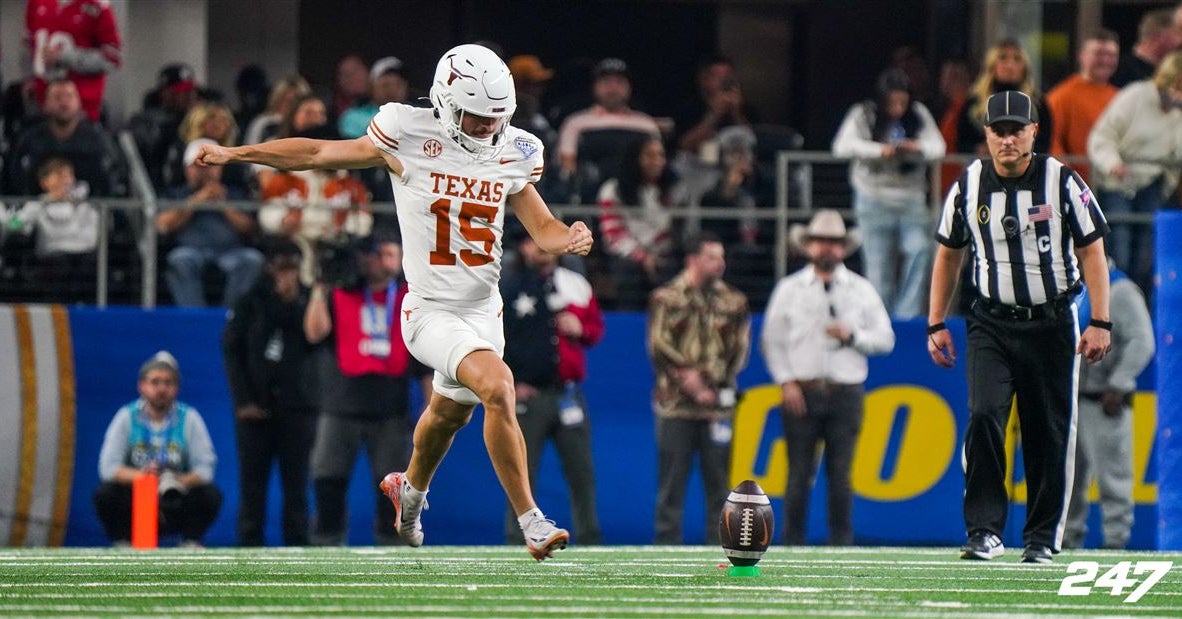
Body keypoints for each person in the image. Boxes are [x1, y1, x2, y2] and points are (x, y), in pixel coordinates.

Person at [192, 43, 593, 561]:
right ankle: (531, 522)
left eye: (495, 119)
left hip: (483, 309)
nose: (485, 130)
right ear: (447, 104)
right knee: (499, 385)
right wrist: (233, 155)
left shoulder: (514, 148)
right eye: (474, 118)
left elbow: (543, 229)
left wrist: (571, 237)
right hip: (429, 309)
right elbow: (317, 153)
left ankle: (411, 490)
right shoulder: (407, 132)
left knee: (449, 416)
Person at [928, 90, 1112, 564]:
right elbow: (949, 253)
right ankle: (985, 531)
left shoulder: (1063, 181)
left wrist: (1100, 320)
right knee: (985, 415)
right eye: (998, 130)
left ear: (1034, 131)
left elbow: (1092, 250)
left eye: (1016, 129)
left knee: (1048, 431)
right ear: (986, 135)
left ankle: (1041, 537)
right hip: (990, 321)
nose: (1007, 139)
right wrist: (935, 322)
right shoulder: (968, 185)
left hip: (1052, 322)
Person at [761, 209, 895, 545]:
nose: (827, 248)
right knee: (797, 476)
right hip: (802, 390)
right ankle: (792, 543)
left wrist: (854, 337)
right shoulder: (790, 289)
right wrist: (786, 381)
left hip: (844, 390)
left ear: (843, 248)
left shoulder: (860, 289)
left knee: (841, 476)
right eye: (821, 241)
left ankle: (841, 544)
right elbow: (771, 341)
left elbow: (885, 339)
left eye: (834, 243)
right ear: (808, 246)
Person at [302, 235, 417, 546]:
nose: (391, 263)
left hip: (390, 406)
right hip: (341, 404)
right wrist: (319, 288)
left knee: (392, 484)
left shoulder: (409, 296)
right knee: (328, 477)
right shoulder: (341, 292)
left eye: (395, 255)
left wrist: (434, 406)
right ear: (367, 258)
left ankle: (391, 543)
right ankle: (327, 540)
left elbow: (423, 358)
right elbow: (314, 334)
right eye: (384, 254)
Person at [500, 234, 605, 546]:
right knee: (520, 475)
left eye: (546, 242)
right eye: (534, 242)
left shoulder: (575, 283)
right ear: (523, 246)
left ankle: (589, 539)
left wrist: (580, 328)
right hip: (528, 396)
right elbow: (493, 338)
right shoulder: (508, 284)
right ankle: (517, 538)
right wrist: (512, 384)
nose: (542, 249)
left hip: (567, 393)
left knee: (582, 473)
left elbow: (595, 330)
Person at [646, 232, 750, 545]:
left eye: (721, 257)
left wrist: (711, 383)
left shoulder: (734, 302)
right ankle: (666, 550)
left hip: (716, 406)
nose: (720, 263)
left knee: (719, 486)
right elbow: (658, 345)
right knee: (671, 487)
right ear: (692, 260)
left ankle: (719, 550)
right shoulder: (666, 298)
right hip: (675, 406)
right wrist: (689, 380)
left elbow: (738, 351)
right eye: (711, 257)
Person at [221, 238, 318, 546]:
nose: (288, 274)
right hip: (255, 409)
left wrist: (296, 301)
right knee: (252, 486)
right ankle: (249, 546)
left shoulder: (308, 301)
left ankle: (299, 545)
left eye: (293, 267)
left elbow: (316, 341)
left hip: (297, 408)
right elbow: (231, 350)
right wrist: (243, 401)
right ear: (269, 267)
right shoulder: (250, 301)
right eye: (282, 267)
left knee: (297, 486)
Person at [831, 67, 945, 318]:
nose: (897, 108)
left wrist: (916, 147)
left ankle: (907, 316)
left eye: (902, 102)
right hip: (873, 199)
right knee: (878, 268)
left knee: (919, 251)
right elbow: (841, 147)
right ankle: (880, 320)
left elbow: (938, 147)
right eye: (891, 102)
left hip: (911, 201)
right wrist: (878, 150)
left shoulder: (918, 114)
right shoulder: (863, 113)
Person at [1064, 261, 1154, 550]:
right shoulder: (1070, 287)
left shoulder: (1121, 290)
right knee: (1068, 478)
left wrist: (1118, 382)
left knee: (1113, 477)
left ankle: (1116, 541)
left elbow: (1142, 341)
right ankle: (1066, 539)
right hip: (1072, 397)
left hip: (1105, 398)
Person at [93, 351, 222, 547]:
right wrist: (144, 477)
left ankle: (190, 542)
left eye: (168, 383)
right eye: (155, 382)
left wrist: (177, 480)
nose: (161, 389)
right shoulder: (127, 416)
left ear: (176, 388)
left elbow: (206, 469)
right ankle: (123, 542)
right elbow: (108, 468)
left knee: (209, 494)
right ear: (141, 386)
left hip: (174, 498)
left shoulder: (189, 418)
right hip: (137, 499)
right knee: (106, 493)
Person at [1087, 50, 1182, 295]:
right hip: (1116, 182)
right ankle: (1114, 305)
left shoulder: (1177, 113)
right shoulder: (1135, 96)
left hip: (1151, 184)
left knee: (1145, 257)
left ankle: (1140, 308)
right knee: (1120, 249)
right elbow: (1101, 137)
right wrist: (1113, 164)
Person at [156, 138, 263, 307]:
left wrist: (223, 205)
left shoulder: (234, 193)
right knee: (179, 259)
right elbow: (163, 225)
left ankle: (231, 317)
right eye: (199, 166)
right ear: (187, 168)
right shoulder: (176, 194)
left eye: (211, 166)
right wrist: (197, 200)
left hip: (230, 253)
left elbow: (250, 228)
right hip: (192, 252)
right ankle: (194, 318)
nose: (205, 171)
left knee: (252, 259)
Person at [597, 135, 688, 309]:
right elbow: (614, 236)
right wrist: (643, 258)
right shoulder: (613, 190)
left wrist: (656, 257)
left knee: (674, 274)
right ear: (636, 158)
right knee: (629, 276)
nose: (657, 161)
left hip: (664, 256)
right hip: (627, 258)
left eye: (660, 155)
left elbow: (677, 231)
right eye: (650, 155)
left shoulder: (674, 190)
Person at [6, 157, 99, 303]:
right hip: (52, 259)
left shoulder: (84, 205)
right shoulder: (36, 204)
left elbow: (93, 236)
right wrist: (41, 204)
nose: (64, 180)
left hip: (82, 257)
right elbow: (14, 224)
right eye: (58, 175)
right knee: (58, 268)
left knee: (87, 267)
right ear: (44, 182)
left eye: (68, 175)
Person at [25, 0, 122, 123]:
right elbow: (30, 44)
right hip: (42, 106)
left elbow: (112, 59)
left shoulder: (97, 5)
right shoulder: (35, 3)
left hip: (82, 111)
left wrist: (64, 57)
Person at [957, 41, 1052, 156]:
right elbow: (961, 143)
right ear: (992, 66)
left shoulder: (1037, 103)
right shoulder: (974, 101)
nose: (1010, 65)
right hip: (982, 166)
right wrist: (978, 150)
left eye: (1017, 59)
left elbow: (1044, 143)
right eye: (1003, 58)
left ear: (1025, 68)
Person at [1045, 30, 1120, 167]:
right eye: (1099, 54)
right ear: (1082, 56)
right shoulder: (1062, 96)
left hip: (1112, 182)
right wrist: (1067, 176)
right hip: (1076, 183)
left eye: (1111, 55)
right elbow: (1050, 140)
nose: (1105, 60)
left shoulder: (1120, 97)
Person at [1111, 8, 1179, 88]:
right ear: (1160, 36)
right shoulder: (1119, 70)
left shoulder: (1172, 71)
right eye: (1177, 33)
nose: (1180, 40)